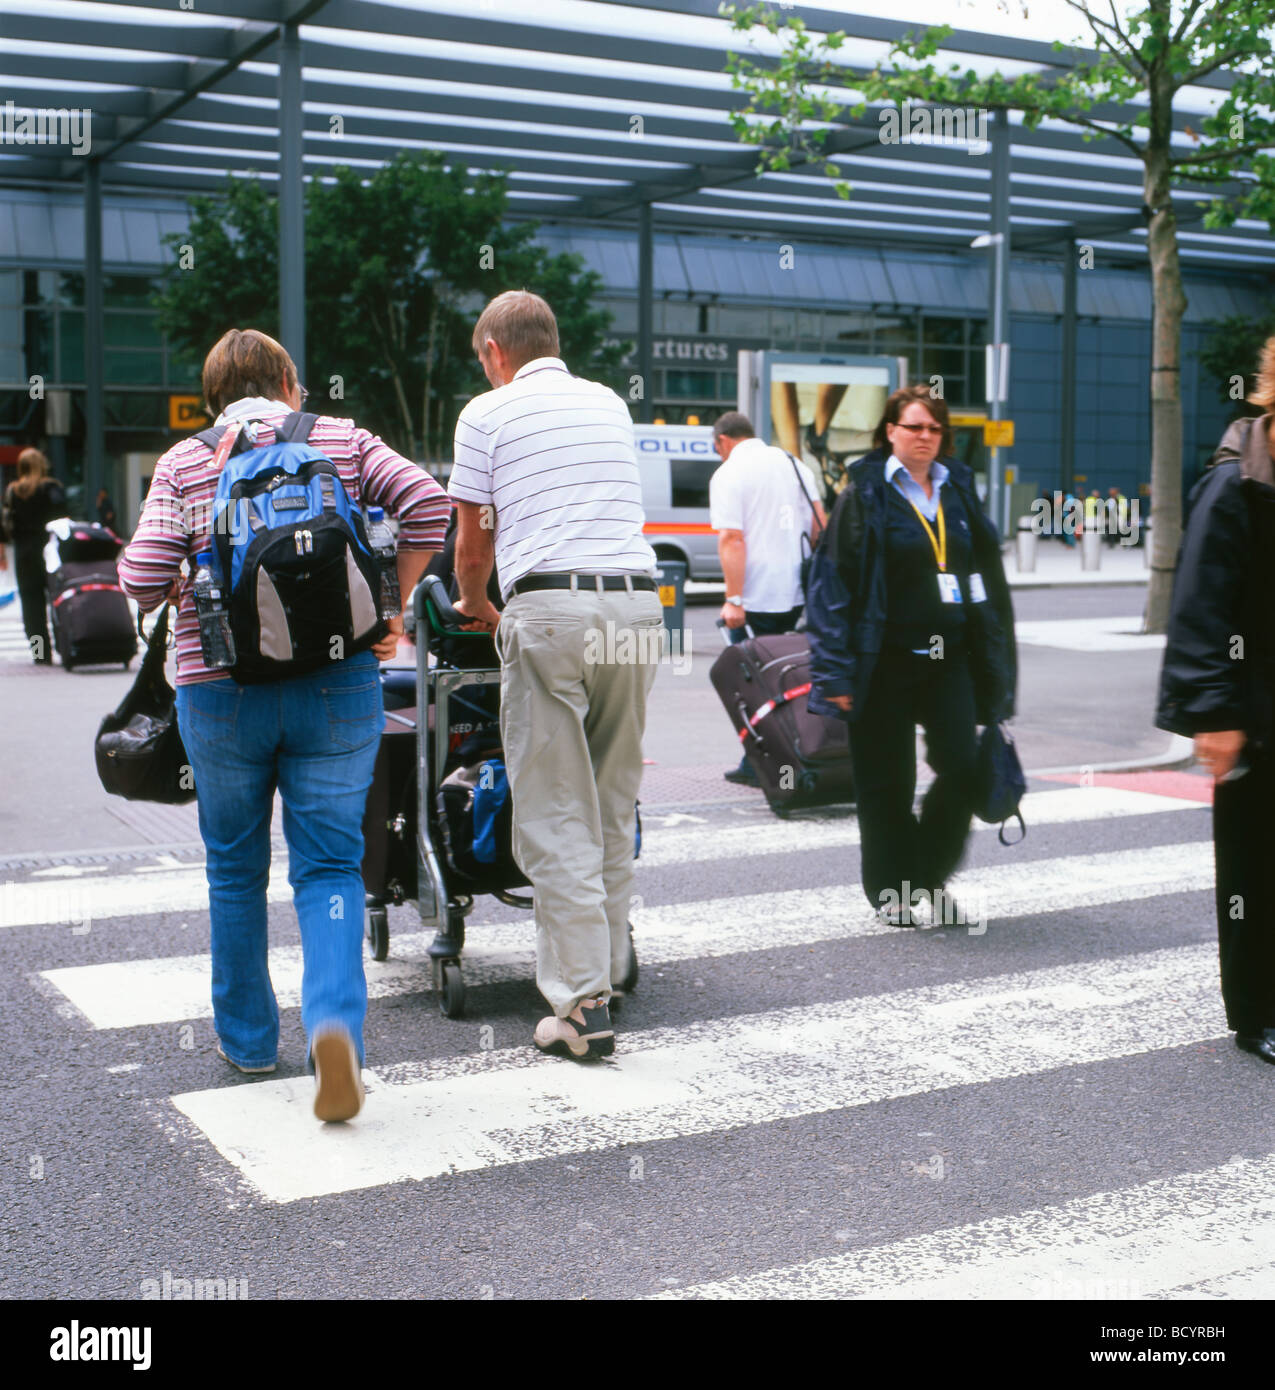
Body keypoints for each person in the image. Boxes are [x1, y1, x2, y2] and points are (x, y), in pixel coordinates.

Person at [118, 328, 449, 1120]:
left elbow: (140, 574)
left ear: (212, 397)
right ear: (292, 384)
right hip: (339, 682)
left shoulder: (186, 459)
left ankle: (248, 1042)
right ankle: (333, 1030)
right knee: (331, 867)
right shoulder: (343, 438)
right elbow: (429, 505)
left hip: (221, 691)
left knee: (234, 868)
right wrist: (392, 608)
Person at [448, 289, 662, 1062]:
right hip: (638, 610)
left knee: (552, 808)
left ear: (494, 353)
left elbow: (471, 536)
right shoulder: (607, 402)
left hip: (552, 610)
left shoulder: (487, 412)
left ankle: (580, 1006)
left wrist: (476, 603)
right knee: (611, 799)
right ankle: (608, 962)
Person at [805, 385, 1016, 925]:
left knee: (964, 769)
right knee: (886, 784)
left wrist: (998, 673)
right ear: (890, 432)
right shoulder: (865, 495)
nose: (925, 437)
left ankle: (927, 873)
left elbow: (991, 582)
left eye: (934, 429)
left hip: (951, 660)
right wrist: (835, 672)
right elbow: (831, 588)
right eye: (914, 427)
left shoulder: (959, 491)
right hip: (883, 660)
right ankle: (892, 892)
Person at [1156, 340, 1275, 1067]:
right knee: (1254, 868)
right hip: (1253, 708)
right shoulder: (1236, 483)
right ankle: (1257, 1012)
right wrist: (1214, 714)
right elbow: (1198, 604)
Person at [708, 410, 825, 785]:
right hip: (795, 591)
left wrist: (734, 599)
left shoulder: (728, 474)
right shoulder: (794, 464)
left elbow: (731, 539)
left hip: (756, 597)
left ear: (722, 441)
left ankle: (765, 763)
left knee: (754, 685)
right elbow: (818, 524)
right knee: (788, 678)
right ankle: (796, 751)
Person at [0, 447, 66, 664]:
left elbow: (6, 526)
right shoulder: (51, 489)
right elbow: (63, 518)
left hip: (24, 555)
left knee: (31, 607)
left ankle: (40, 654)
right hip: (50, 553)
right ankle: (67, 646)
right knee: (58, 601)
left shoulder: (13, 492)